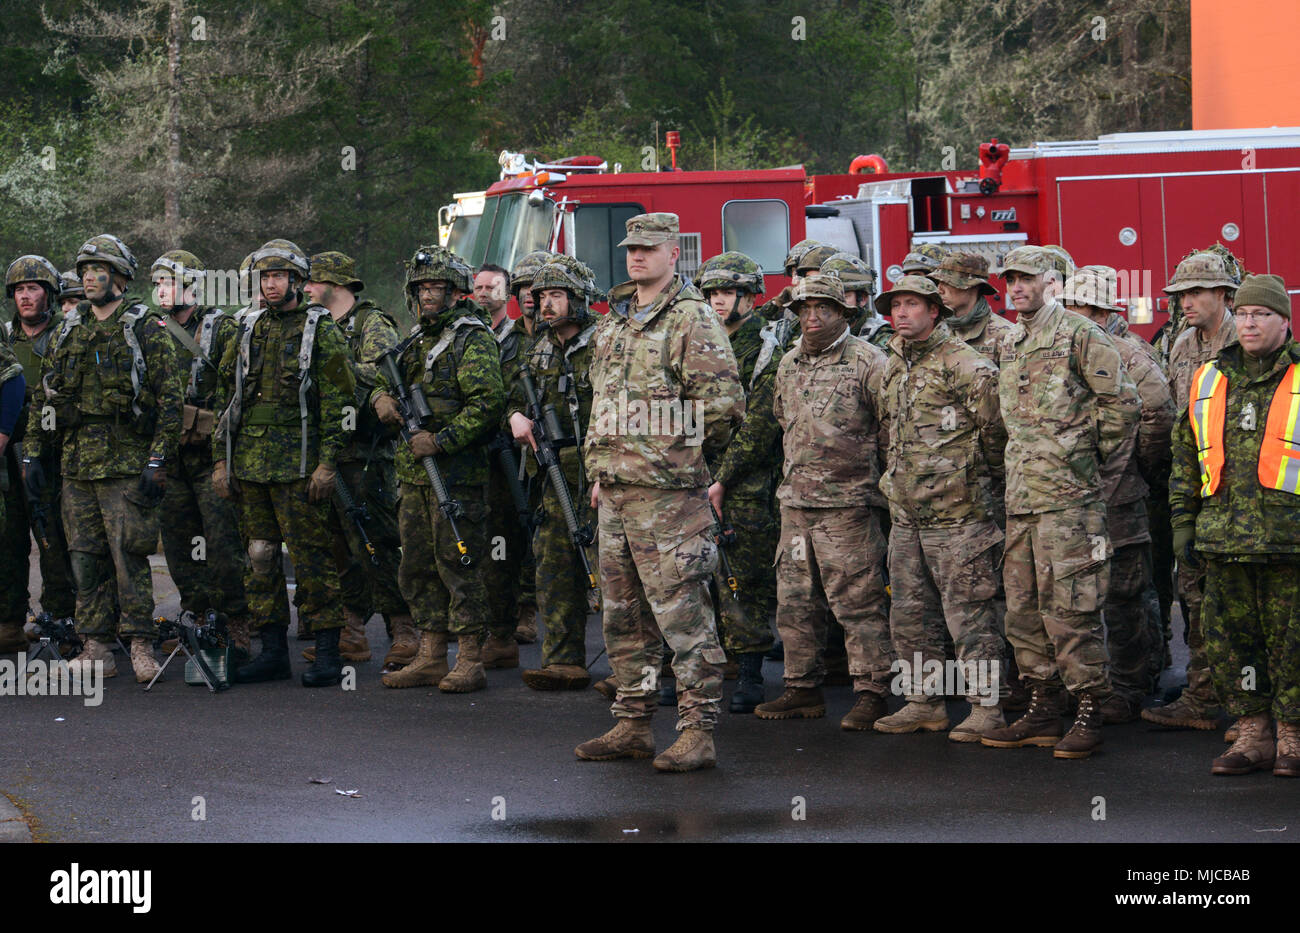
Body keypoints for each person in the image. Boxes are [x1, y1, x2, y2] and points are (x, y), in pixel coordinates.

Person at [576, 212, 744, 772]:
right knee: (622, 617)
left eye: (649, 248)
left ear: (675, 252)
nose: (637, 257)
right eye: (631, 248)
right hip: (618, 495)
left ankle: (698, 731)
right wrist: (604, 471)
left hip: (670, 499)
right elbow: (600, 401)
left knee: (683, 616)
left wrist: (658, 449)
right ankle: (632, 722)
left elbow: (723, 408)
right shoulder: (616, 320)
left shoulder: (691, 319)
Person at [979, 246, 1140, 759]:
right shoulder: (1012, 341)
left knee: (1073, 609)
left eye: (1026, 278)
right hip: (1024, 500)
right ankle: (1043, 706)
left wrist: (1086, 464)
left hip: (1070, 502)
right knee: (1024, 611)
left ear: (1052, 282)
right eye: (1010, 279)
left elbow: (1124, 405)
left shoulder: (1079, 333)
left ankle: (1091, 707)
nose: (1016, 287)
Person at [26, 234, 183, 681]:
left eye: (96, 271)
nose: (88, 279)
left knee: (129, 557)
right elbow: (45, 398)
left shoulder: (146, 326)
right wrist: (33, 454)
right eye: (83, 272)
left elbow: (170, 401)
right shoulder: (69, 330)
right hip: (77, 466)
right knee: (84, 557)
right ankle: (96, 646)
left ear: (119, 276)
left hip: (126, 465)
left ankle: (139, 645)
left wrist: (157, 460)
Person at [1169, 274, 1300, 777]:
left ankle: (1292, 734)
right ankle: (1253, 734)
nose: (1248, 322)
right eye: (1243, 314)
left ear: (1283, 322)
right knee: (1232, 644)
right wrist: (1183, 523)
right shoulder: (1210, 377)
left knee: (1292, 645)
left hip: (1289, 543)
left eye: (1261, 314)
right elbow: (1185, 455)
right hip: (1223, 542)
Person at [212, 238, 355, 687]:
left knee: (313, 560)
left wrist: (328, 463)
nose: (270, 285)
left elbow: (340, 403)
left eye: (277, 276)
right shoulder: (246, 327)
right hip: (251, 463)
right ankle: (272, 651)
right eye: (264, 277)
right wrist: (221, 460)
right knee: (259, 556)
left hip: (300, 465)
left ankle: (329, 652)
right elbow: (225, 397)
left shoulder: (321, 329)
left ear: (296, 280)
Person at [873, 275, 1009, 740]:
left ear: (936, 311)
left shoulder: (969, 365)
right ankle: (923, 701)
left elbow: (996, 437)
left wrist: (978, 492)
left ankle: (986, 708)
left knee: (971, 617)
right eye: (896, 305)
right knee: (910, 615)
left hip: (960, 517)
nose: (902, 313)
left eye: (912, 304)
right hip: (907, 515)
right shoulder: (894, 363)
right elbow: (889, 430)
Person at [754, 273, 893, 730]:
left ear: (844, 313)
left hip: (848, 505)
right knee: (794, 602)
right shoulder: (789, 362)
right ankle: (801, 688)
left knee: (858, 602)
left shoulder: (870, 361)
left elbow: (891, 429)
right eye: (804, 310)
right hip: (796, 506)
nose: (811, 318)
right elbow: (781, 420)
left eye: (823, 309)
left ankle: (872, 691)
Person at [371, 245, 505, 692]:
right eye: (422, 287)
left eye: (437, 288)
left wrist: (441, 440)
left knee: (459, 561)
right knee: (418, 564)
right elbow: (381, 381)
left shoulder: (472, 337)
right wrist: (381, 400)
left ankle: (469, 657)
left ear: (455, 292)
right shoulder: (414, 339)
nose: (429, 295)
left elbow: (488, 404)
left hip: (456, 474)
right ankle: (430, 653)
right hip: (412, 475)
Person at [1062, 265, 1174, 723]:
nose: (1075, 315)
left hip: (1122, 496)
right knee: (1079, 597)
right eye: (1069, 306)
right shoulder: (1061, 353)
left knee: (1128, 595)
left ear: (1106, 312)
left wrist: (1138, 466)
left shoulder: (1129, 355)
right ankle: (1095, 684)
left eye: (1084, 308)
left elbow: (1160, 417)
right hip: (1075, 499)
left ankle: (1133, 685)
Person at [302, 251, 415, 673]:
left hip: (366, 452)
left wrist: (337, 366)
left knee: (378, 543)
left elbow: (386, 375)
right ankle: (351, 630)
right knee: (337, 547)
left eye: (313, 281)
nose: (306, 289)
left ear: (336, 283)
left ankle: (404, 629)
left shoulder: (371, 323)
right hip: (325, 448)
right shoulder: (312, 324)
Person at [1142, 251, 1240, 732]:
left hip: (1237, 494)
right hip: (1193, 487)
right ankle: (1203, 695)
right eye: (1180, 294)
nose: (1186, 301)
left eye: (1197, 292)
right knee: (1193, 592)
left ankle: (1245, 702)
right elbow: (1181, 419)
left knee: (1236, 599)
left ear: (1224, 294)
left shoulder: (1245, 340)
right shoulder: (1181, 344)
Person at [151, 250, 252, 661]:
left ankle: (237, 622)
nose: (161, 291)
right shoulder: (152, 331)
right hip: (171, 457)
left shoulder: (221, 328)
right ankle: (198, 618)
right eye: (156, 283)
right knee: (179, 545)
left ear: (191, 285)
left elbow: (241, 389)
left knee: (224, 545)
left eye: (169, 282)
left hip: (213, 454)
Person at [509, 256, 601, 690]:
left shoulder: (606, 341)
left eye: (556, 296)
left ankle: (632, 669)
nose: (546, 304)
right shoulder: (539, 347)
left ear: (579, 298)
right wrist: (515, 416)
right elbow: (513, 393)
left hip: (598, 471)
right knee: (553, 566)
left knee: (612, 573)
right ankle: (563, 660)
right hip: (552, 473)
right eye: (542, 296)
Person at [696, 251, 783, 712]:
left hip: (746, 482)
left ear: (749, 297)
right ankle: (708, 669)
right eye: (712, 293)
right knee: (697, 575)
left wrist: (724, 478)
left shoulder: (766, 347)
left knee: (744, 577)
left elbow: (761, 424)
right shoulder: (697, 342)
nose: (718, 301)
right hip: (696, 474)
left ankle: (750, 674)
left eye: (728, 292)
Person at [4, 255, 77, 637]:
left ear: (49, 294)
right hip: (8, 452)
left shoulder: (69, 334)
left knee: (55, 539)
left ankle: (61, 616)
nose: (26, 296)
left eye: (33, 288)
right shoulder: (5, 338)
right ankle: (10, 620)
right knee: (10, 539)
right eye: (19, 290)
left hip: (55, 455)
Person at [477, 261, 537, 668]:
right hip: (493, 450)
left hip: (532, 453)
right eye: (476, 287)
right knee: (496, 540)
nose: (482, 293)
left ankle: (527, 609)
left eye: (490, 286)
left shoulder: (530, 338)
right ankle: (498, 624)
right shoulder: (482, 335)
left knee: (531, 534)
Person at [819, 252, 893, 347]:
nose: (835, 303)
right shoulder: (812, 338)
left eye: (844, 297)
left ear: (862, 299)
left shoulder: (881, 340)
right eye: (828, 297)